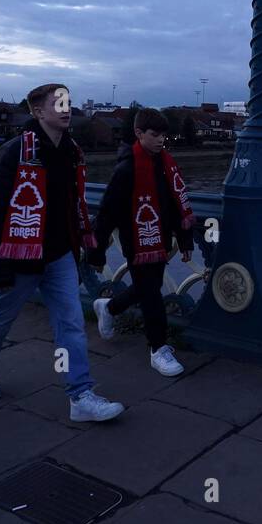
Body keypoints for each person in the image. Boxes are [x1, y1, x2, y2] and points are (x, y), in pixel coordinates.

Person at [0, 84, 124, 422]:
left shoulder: (72, 153)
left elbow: (74, 205)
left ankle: (80, 394)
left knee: (70, 324)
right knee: (0, 319)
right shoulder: (14, 153)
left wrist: (87, 243)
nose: (67, 108)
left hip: (58, 255)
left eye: (68, 102)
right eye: (58, 104)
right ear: (38, 112)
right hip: (21, 257)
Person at [88, 108, 196, 376]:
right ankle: (158, 348)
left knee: (149, 286)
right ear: (139, 134)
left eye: (164, 135)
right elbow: (107, 213)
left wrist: (184, 239)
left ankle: (109, 307)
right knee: (151, 293)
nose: (161, 140)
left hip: (161, 238)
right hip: (137, 240)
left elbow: (174, 205)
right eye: (155, 134)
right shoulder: (127, 169)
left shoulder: (165, 164)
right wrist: (97, 252)